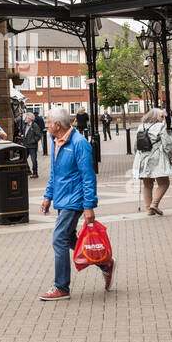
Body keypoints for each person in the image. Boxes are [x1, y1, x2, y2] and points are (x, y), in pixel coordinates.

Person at [40, 107, 108, 299]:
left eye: (48, 122)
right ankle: (105, 263)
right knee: (69, 239)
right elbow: (55, 173)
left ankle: (61, 287)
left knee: (58, 238)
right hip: (62, 198)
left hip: (74, 199)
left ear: (57, 125)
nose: (46, 125)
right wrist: (48, 196)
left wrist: (89, 206)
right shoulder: (55, 142)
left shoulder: (79, 144)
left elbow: (88, 177)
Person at [130, 108, 172, 216]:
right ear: (155, 117)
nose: (163, 118)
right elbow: (167, 144)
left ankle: (149, 209)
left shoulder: (140, 126)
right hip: (156, 157)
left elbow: (135, 145)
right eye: (161, 116)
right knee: (164, 183)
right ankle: (154, 204)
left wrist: (137, 155)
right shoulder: (160, 126)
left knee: (147, 184)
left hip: (143, 157)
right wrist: (170, 155)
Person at [20, 111, 43, 177]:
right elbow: (24, 134)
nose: (25, 119)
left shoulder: (35, 125)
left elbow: (39, 135)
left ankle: (35, 173)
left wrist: (33, 141)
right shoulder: (25, 125)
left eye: (26, 118)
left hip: (32, 146)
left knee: (33, 160)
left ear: (30, 119)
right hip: (25, 145)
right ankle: (28, 171)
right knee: (23, 158)